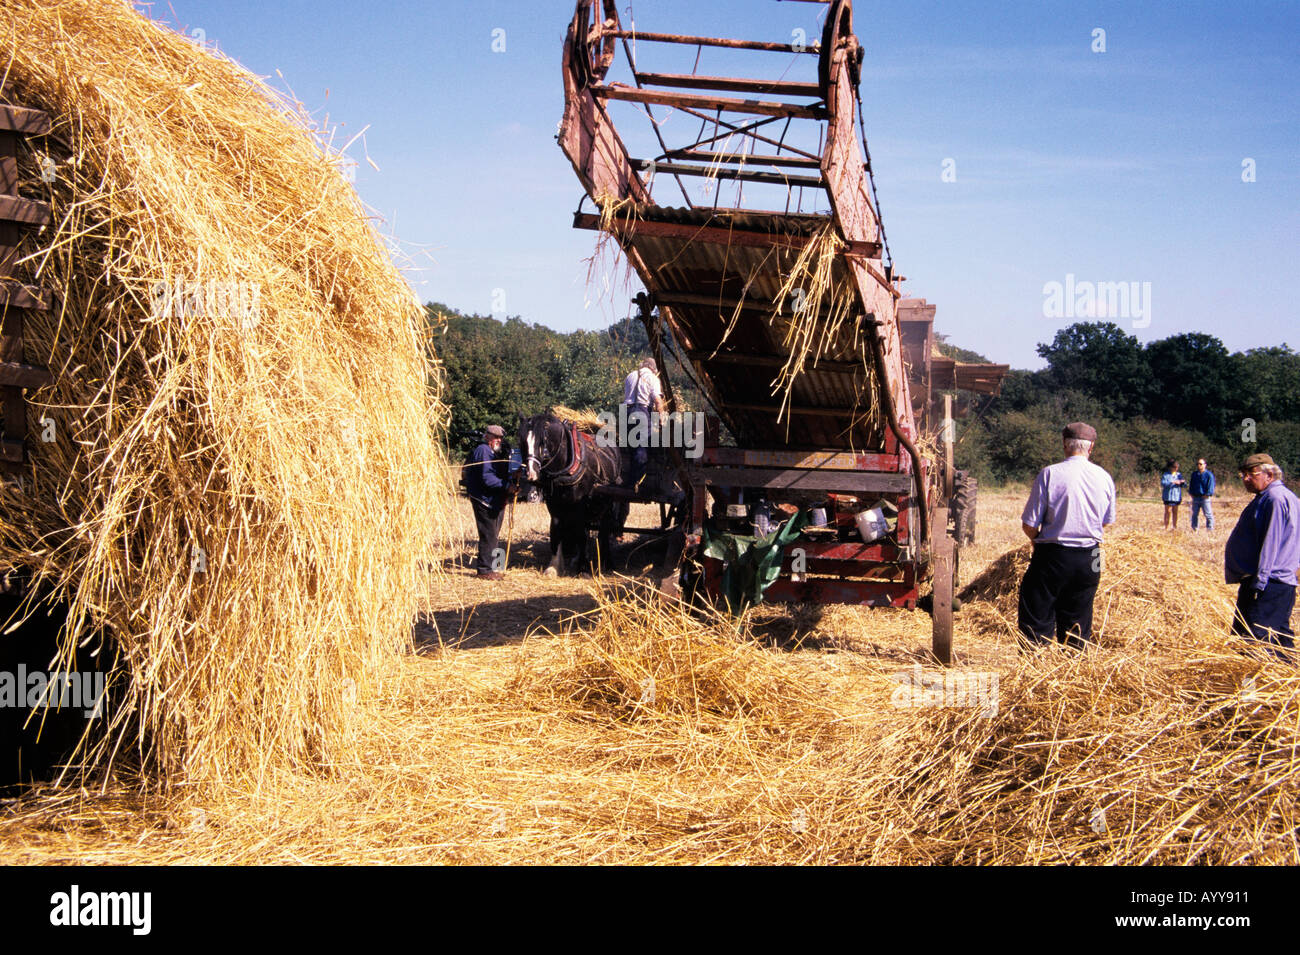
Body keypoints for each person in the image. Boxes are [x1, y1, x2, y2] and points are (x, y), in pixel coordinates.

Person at [1017, 422, 1118, 649]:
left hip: (1054, 553)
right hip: (1092, 556)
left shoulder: (1050, 474)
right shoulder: (1104, 477)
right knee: (1079, 620)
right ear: (1091, 447)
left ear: (1064, 444)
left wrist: (1037, 541)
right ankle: (1074, 672)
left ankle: (1035, 668)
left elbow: (1029, 524)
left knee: (1037, 615)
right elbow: (1106, 522)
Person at [1224, 453, 1299, 660]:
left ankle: (1252, 692)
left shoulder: (1274, 499)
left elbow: (1271, 544)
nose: (1246, 478)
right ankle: (1290, 687)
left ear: (1270, 474)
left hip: (1268, 584)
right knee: (1280, 642)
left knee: (1254, 645)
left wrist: (1260, 583)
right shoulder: (1280, 497)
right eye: (1243, 474)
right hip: (1275, 584)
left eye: (1251, 473)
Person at [465, 424, 510, 579]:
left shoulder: (495, 453)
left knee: (495, 534)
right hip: (484, 500)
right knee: (489, 535)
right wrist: (507, 486)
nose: (498, 440)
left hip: (496, 500)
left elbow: (499, 473)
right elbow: (487, 478)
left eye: (500, 438)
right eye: (495, 437)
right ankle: (484, 570)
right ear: (487, 437)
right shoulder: (483, 450)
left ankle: (497, 566)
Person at [622, 357, 667, 491]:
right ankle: (637, 483)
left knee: (631, 448)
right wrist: (662, 418)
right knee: (642, 448)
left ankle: (627, 478)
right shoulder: (653, 378)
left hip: (626, 412)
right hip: (641, 411)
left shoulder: (630, 376)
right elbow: (658, 401)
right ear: (653, 369)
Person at [1188, 457, 1216, 532]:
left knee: (1208, 514)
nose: (1199, 465)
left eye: (1201, 464)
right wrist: (1191, 493)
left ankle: (1210, 529)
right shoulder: (1194, 474)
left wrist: (1208, 494)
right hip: (1196, 497)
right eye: (1198, 464)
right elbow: (1191, 484)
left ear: (1205, 465)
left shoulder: (1209, 475)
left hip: (1205, 498)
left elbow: (1211, 485)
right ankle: (1194, 529)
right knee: (1194, 514)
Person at [1160, 459, 1186, 530]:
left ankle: (1174, 527)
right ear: (1171, 467)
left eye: (1177, 467)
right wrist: (1173, 482)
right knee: (1167, 511)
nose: (1176, 468)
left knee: (1175, 512)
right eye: (1175, 467)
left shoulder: (1179, 475)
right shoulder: (1166, 475)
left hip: (1176, 496)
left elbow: (1184, 485)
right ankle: (1166, 527)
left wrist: (1182, 482)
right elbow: (1163, 483)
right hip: (1168, 496)